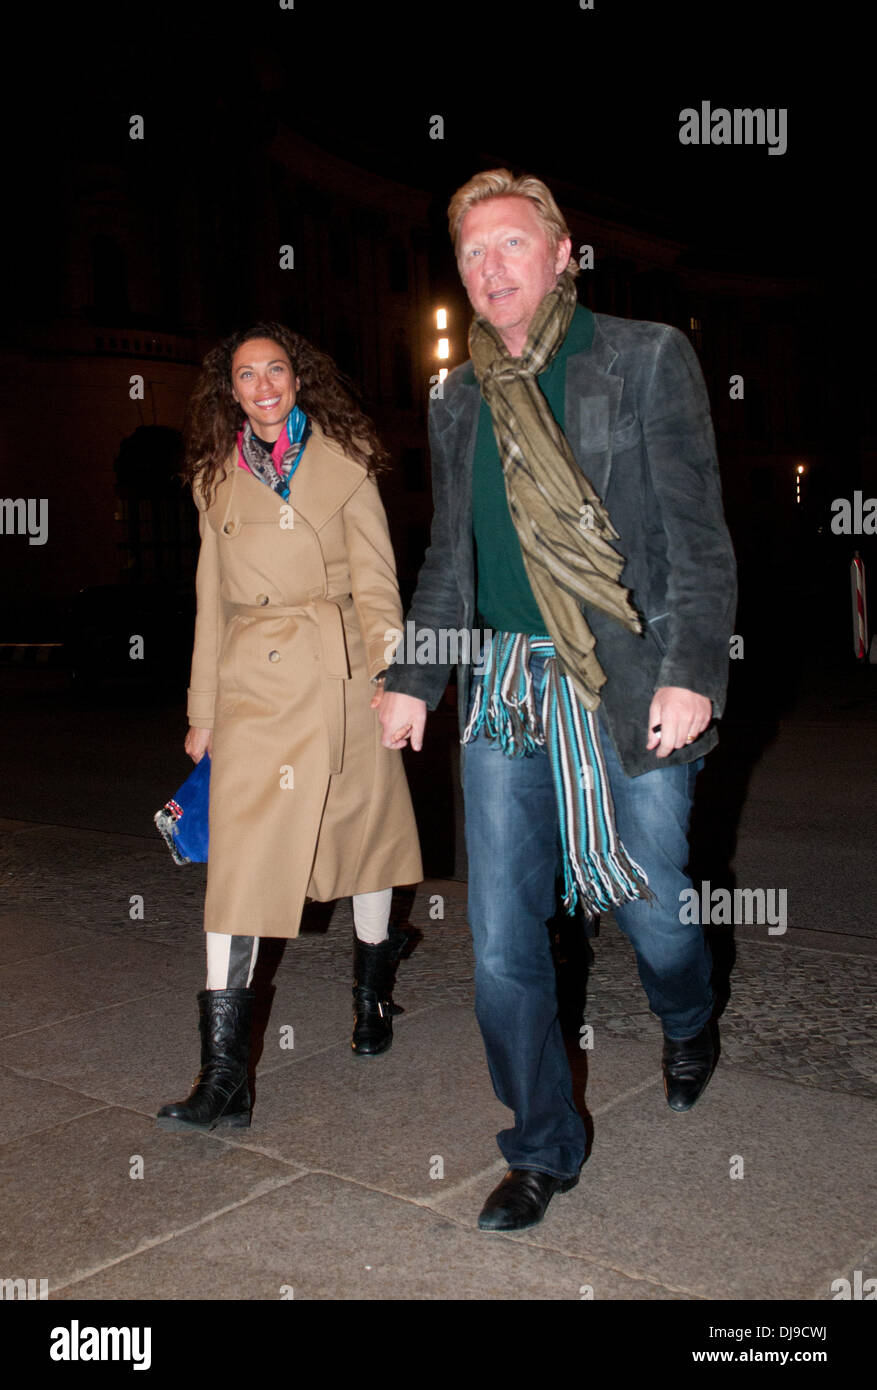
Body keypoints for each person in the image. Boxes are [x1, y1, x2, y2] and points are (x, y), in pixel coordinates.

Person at [379, 171, 737, 1231]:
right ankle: (541, 1146)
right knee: (498, 939)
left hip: (629, 680)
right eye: (470, 256)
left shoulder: (642, 356)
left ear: (561, 252)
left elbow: (697, 536)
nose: (490, 269)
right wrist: (414, 681)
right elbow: (451, 554)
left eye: (509, 245)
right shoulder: (457, 394)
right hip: (505, 694)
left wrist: (691, 669)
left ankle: (688, 1013)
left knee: (656, 906)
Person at [157, 321, 422, 1133]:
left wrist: (394, 681)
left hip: (340, 677)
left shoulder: (346, 464)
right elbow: (210, 604)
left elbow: (378, 586)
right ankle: (225, 1078)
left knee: (365, 841)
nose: (263, 384)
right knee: (237, 869)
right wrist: (203, 713)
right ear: (228, 391)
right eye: (246, 374)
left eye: (276, 369)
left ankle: (372, 1000)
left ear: (297, 380)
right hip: (252, 690)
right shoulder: (214, 478)